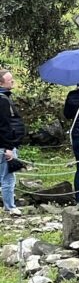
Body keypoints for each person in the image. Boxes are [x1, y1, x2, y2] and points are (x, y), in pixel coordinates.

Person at [0, 70, 22, 215]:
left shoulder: (5, 97)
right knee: (8, 177)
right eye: (10, 80)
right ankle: (10, 206)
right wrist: (8, 147)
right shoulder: (2, 100)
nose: (12, 81)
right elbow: (4, 125)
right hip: (5, 145)